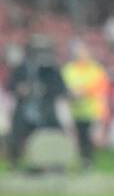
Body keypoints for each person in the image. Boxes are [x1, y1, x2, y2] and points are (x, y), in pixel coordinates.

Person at [6, 34, 68, 170]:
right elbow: (10, 85)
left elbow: (61, 89)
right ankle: (15, 164)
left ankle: (56, 164)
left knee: (55, 134)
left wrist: (45, 90)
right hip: (25, 109)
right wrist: (20, 89)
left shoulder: (52, 69)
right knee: (16, 135)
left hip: (46, 109)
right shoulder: (21, 68)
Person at [61, 42, 110, 170]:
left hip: (91, 111)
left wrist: (83, 92)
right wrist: (72, 93)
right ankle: (74, 161)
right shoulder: (68, 69)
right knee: (76, 138)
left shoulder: (96, 70)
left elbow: (101, 88)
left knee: (89, 139)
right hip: (73, 111)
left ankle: (88, 162)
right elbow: (63, 86)